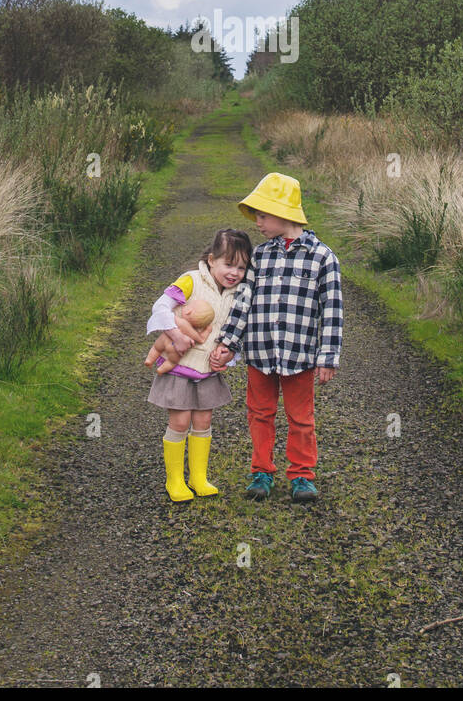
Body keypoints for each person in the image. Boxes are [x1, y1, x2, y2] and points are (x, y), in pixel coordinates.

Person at [210, 173, 342, 504]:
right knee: (259, 412)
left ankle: (302, 476)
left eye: (263, 214)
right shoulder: (261, 256)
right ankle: (262, 472)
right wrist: (228, 342)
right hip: (261, 352)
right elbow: (244, 302)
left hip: (300, 356)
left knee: (301, 417)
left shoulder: (322, 258)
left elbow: (332, 312)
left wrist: (327, 357)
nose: (257, 222)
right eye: (256, 214)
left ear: (284, 213)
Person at [146, 228, 252, 502]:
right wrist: (176, 335)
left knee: (204, 420)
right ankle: (175, 481)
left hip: (208, 370)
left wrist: (229, 354)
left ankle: (198, 477)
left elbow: (236, 330)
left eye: (241, 267)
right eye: (228, 264)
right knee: (180, 421)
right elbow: (160, 307)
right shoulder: (191, 280)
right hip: (181, 367)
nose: (234, 272)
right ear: (211, 259)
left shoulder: (238, 293)